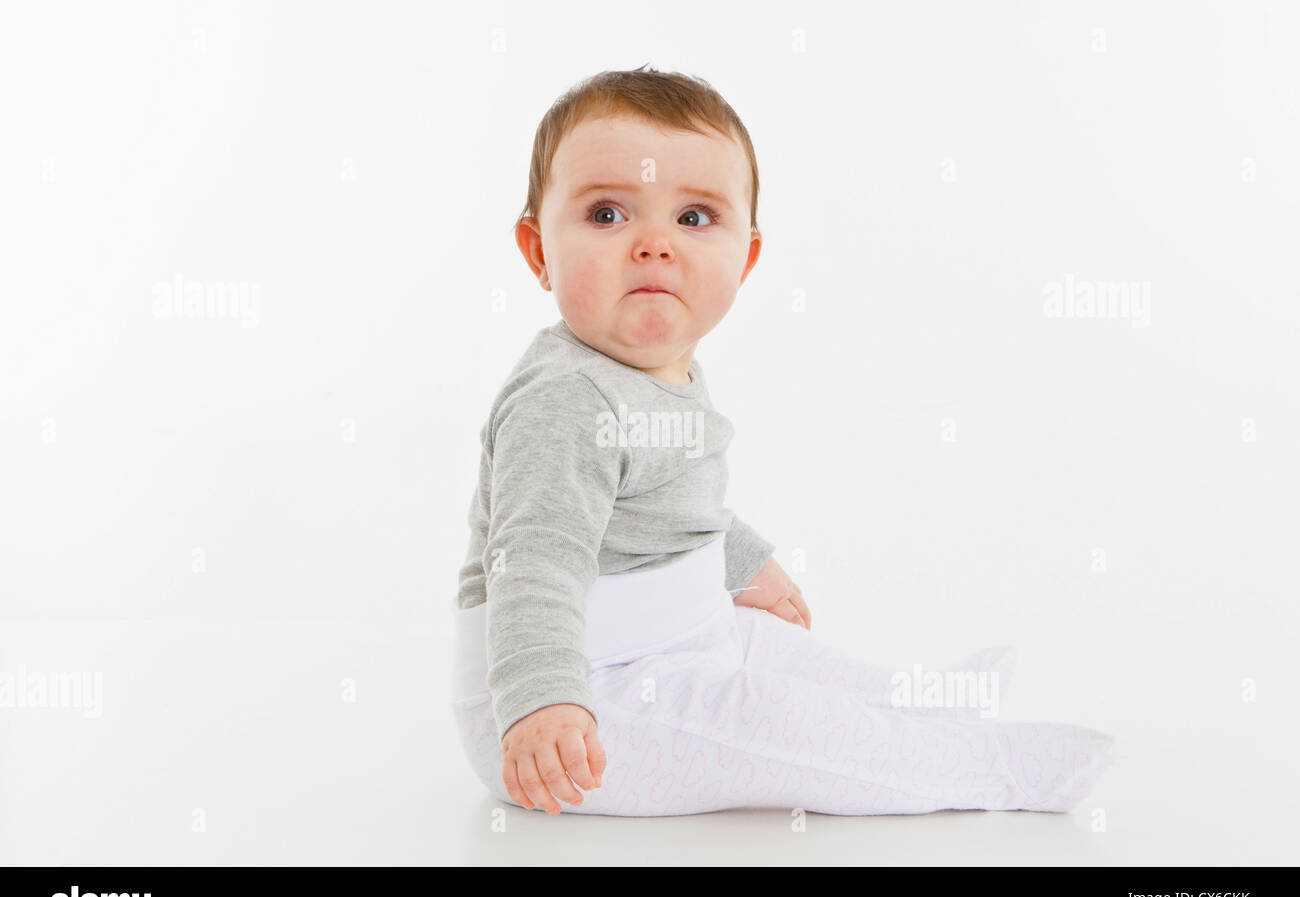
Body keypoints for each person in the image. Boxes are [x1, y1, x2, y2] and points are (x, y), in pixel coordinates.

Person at [451, 64, 1117, 816]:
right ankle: (985, 772)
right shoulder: (567, 399)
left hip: (670, 643)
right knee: (779, 725)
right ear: (538, 251)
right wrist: (541, 700)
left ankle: (916, 703)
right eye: (607, 214)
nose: (653, 244)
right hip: (580, 704)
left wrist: (742, 560)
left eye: (694, 218)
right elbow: (533, 561)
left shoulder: (661, 373)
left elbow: (662, 499)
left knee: (781, 655)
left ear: (746, 256)